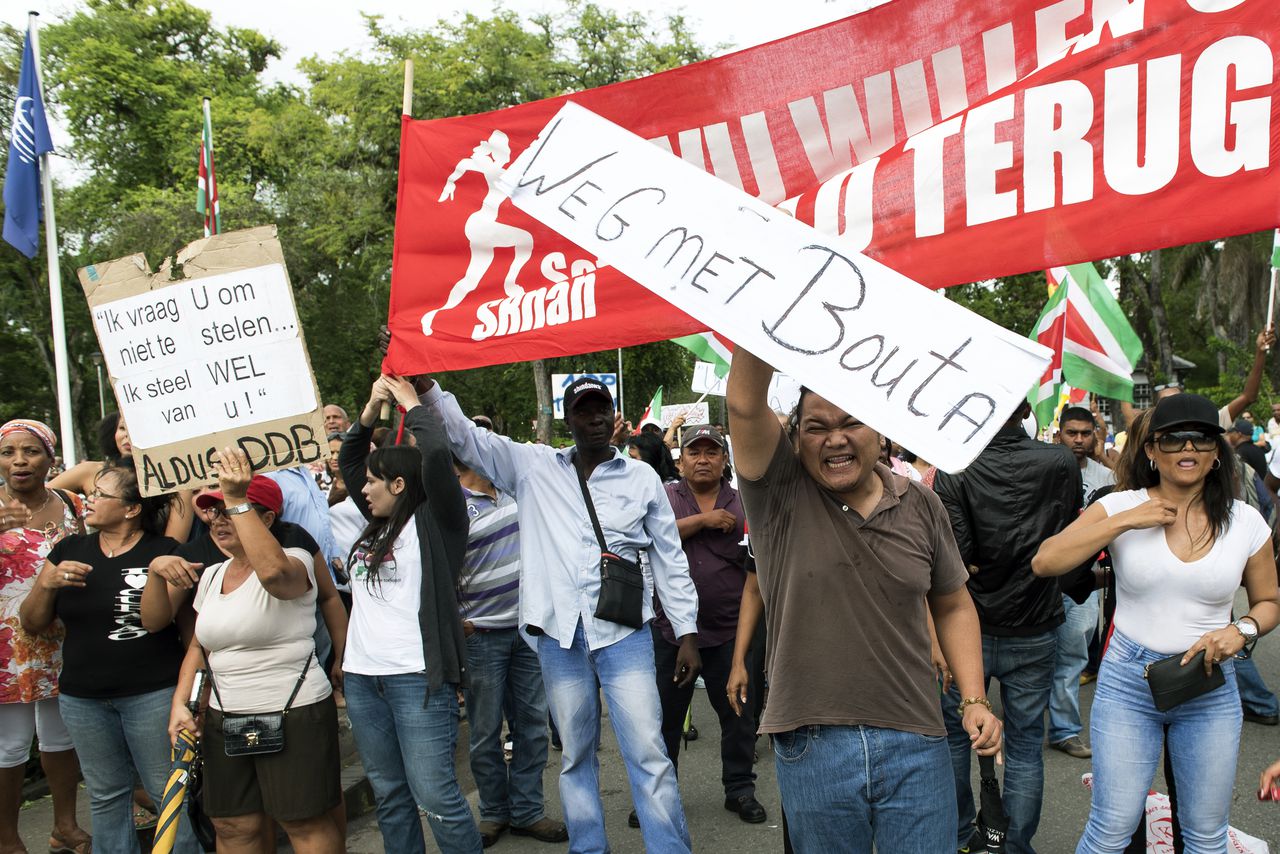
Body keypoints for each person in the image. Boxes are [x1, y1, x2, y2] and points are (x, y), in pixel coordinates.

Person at [725, 349, 1001, 851]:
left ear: (882, 432)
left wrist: (975, 698)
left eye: (851, 421)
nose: (835, 438)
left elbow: (954, 603)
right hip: (813, 745)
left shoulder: (921, 503)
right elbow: (745, 405)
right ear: (794, 438)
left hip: (917, 738)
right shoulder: (778, 493)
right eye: (815, 427)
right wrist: (770, 301)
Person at [420, 373, 701, 853]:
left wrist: (687, 631)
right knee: (575, 755)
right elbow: (464, 434)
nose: (593, 418)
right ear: (566, 418)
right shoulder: (532, 467)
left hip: (625, 635)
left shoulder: (642, 477)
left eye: (601, 408)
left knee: (649, 753)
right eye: (582, 409)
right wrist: (426, 383)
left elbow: (669, 557)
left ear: (614, 416)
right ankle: (588, 847)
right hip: (557, 638)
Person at [1033, 393, 1280, 852]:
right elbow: (1046, 561)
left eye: (1202, 439)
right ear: (1151, 450)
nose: (1188, 449)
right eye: (1173, 440)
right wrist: (1127, 520)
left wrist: (1240, 631)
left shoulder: (1245, 522)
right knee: (1111, 830)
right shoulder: (1120, 505)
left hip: (1210, 685)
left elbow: (1268, 601)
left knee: (1207, 835)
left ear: (1216, 453)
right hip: (1129, 683)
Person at [19, 461, 200, 854]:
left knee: (166, 792)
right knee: (105, 796)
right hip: (82, 698)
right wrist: (46, 584)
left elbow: (166, 622)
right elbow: (32, 622)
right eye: (89, 494)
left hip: (150, 694)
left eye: (100, 495)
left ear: (132, 508)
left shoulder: (164, 552)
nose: (88, 501)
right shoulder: (69, 549)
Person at [337, 376, 483, 854]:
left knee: (436, 795)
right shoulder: (375, 525)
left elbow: (437, 457)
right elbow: (350, 460)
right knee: (391, 795)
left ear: (399, 484)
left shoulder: (438, 522)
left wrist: (410, 401)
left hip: (417, 679)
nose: (363, 489)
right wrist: (370, 407)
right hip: (364, 679)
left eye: (374, 483)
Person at [169, 456, 343, 854]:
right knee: (232, 825)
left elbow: (274, 578)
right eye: (212, 512)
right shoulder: (213, 575)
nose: (217, 519)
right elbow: (200, 645)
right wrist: (181, 703)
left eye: (228, 510)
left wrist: (236, 496)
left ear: (264, 519)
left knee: (303, 822)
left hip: (293, 711)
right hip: (223, 717)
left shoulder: (295, 560)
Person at [933, 400, 1083, 854]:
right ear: (1025, 410)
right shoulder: (1059, 460)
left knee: (956, 738)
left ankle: (963, 838)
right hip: (1033, 618)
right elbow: (1066, 537)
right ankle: (1014, 845)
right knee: (1023, 747)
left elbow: (954, 560)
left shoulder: (954, 469)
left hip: (968, 626)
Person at [455, 440, 567, 847]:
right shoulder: (451, 504)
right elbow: (436, 568)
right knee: (485, 732)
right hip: (480, 636)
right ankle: (492, 813)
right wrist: (456, 621)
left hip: (527, 631)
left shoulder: (517, 491)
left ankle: (527, 811)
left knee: (533, 727)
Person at [655, 425, 765, 823]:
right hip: (671, 632)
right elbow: (648, 536)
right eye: (694, 452)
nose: (703, 459)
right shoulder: (664, 498)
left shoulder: (744, 504)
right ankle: (660, 797)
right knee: (664, 720)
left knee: (738, 716)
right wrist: (703, 521)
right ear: (680, 461)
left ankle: (739, 790)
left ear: (724, 460)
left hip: (729, 632)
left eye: (711, 452)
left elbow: (759, 566)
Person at [0, 420, 92, 854]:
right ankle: (7, 836)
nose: (19, 461)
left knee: (61, 735)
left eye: (31, 451)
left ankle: (64, 825)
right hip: (6, 645)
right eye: (8, 452)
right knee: (10, 745)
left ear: (51, 460)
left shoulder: (74, 504)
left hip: (63, 637)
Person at [1048, 405, 1114, 760]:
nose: (1078, 440)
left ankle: (1064, 730)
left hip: (1084, 581)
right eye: (1071, 433)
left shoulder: (1105, 476)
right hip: (1042, 576)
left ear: (1094, 436)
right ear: (1059, 433)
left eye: (1085, 433)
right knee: (1036, 655)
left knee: (1072, 657)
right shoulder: (1045, 466)